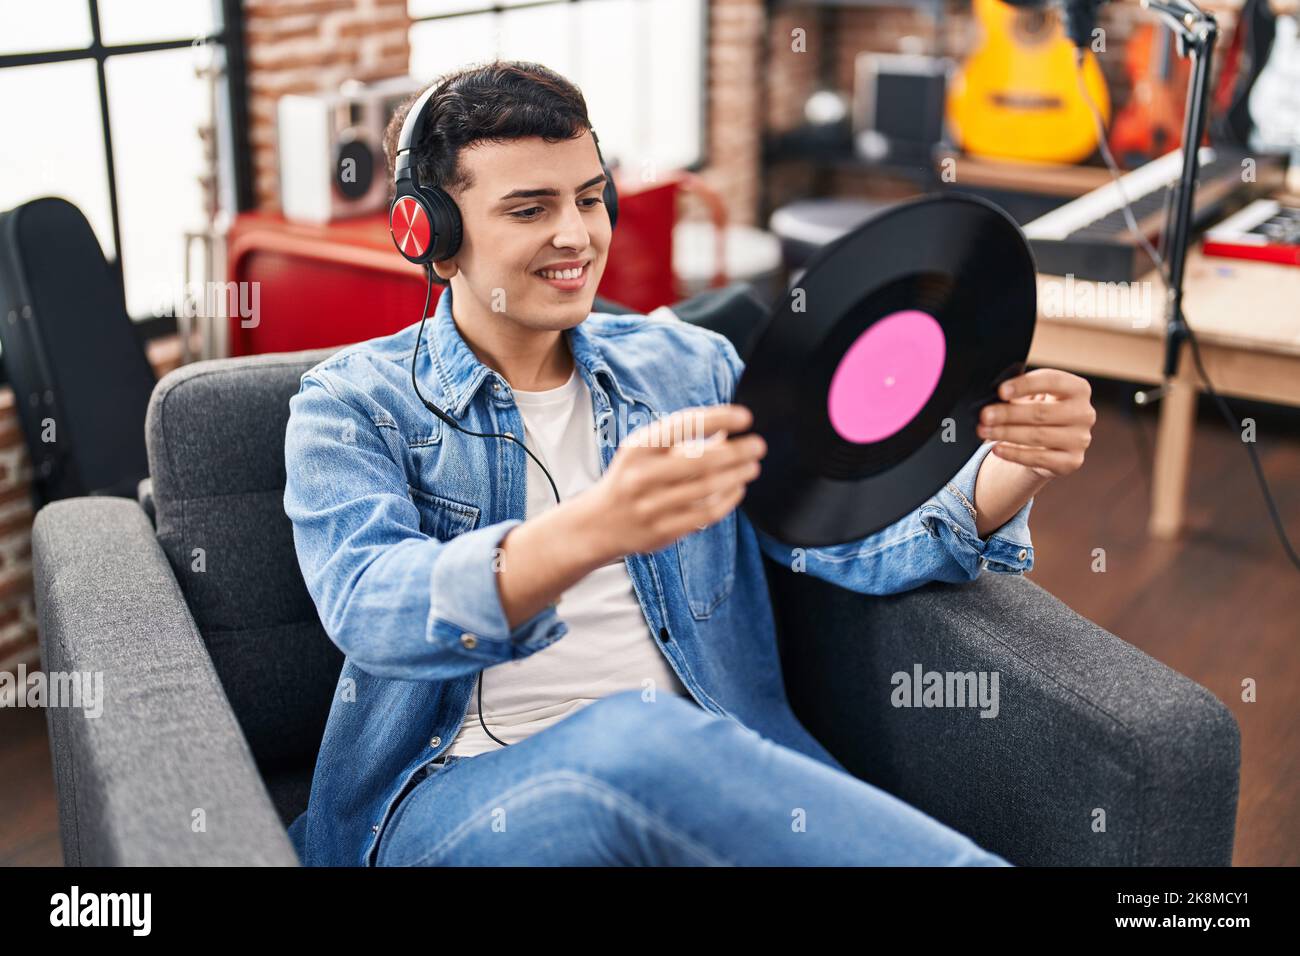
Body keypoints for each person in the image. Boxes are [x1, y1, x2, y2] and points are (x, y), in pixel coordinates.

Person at [282, 60, 1096, 867]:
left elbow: (831, 531)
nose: (577, 235)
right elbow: (370, 608)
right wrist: (591, 529)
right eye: (530, 209)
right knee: (635, 735)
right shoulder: (350, 407)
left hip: (694, 778)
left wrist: (1011, 467)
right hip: (452, 805)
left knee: (655, 746)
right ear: (431, 237)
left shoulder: (689, 367)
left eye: (591, 198)